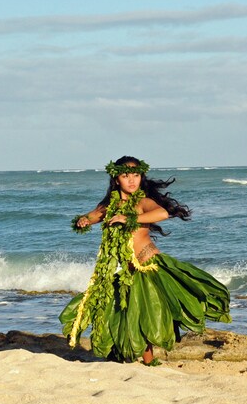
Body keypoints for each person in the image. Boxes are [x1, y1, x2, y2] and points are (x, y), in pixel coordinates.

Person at [60, 156, 231, 365]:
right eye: (126, 176)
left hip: (149, 267)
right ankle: (131, 358)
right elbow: (93, 216)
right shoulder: (109, 206)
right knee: (121, 314)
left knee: (148, 313)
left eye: (136, 175)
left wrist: (129, 218)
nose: (132, 180)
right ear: (116, 179)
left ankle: (149, 362)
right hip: (125, 271)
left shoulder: (143, 202)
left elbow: (162, 213)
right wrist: (83, 221)